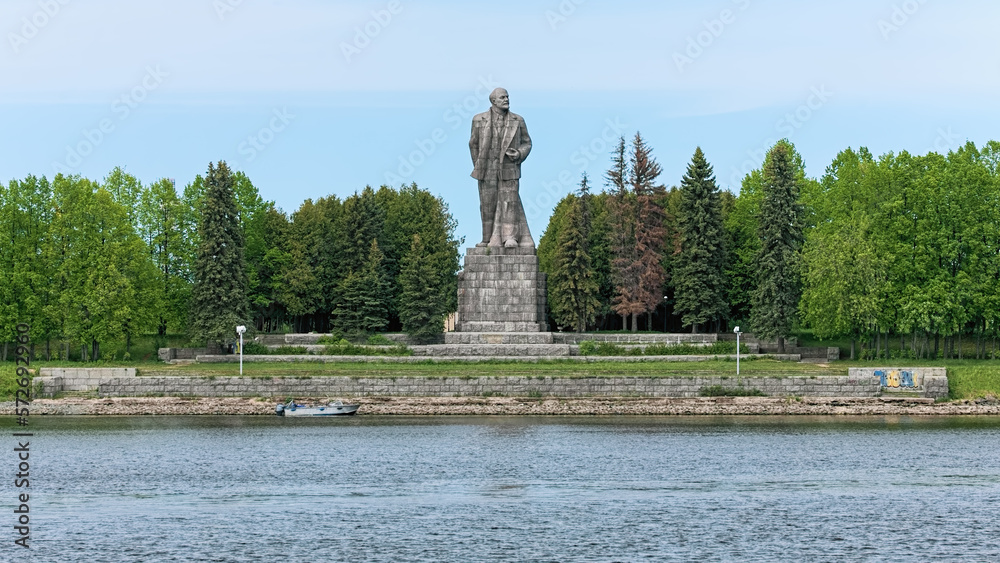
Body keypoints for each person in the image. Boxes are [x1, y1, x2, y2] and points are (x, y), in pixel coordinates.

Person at [469, 88, 534, 248]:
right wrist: (479, 164)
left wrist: (518, 154)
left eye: (507, 97)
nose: (506, 99)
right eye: (502, 97)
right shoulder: (478, 119)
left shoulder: (518, 120)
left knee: (509, 202)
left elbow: (527, 142)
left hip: (509, 167)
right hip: (486, 168)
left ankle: (509, 238)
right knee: (487, 204)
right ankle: (486, 238)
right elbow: (473, 144)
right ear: (493, 101)